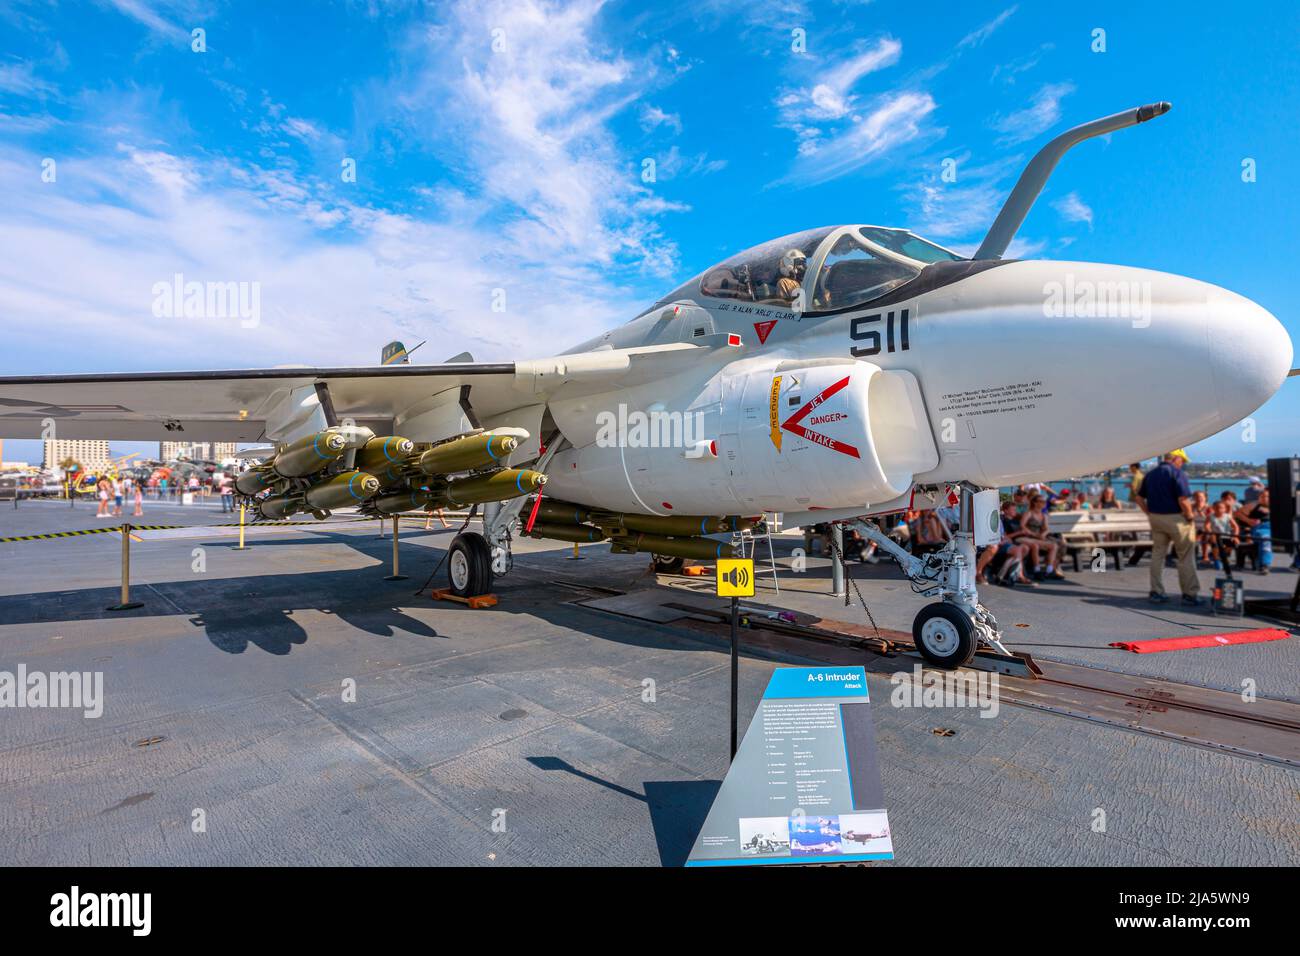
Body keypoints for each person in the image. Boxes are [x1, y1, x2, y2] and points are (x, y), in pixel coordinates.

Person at [1135, 449, 1200, 604]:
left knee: (1158, 555)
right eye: (1182, 461)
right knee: (1185, 555)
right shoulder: (1177, 474)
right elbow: (1183, 499)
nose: (1182, 464)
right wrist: (1190, 516)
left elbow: (1139, 498)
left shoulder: (1151, 474)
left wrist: (1149, 513)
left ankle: (1156, 591)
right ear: (1176, 459)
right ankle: (1189, 594)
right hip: (1176, 519)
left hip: (1156, 518)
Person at [1018, 495, 1065, 579]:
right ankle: (1048, 570)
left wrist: (1043, 534)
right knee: (1053, 545)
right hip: (1029, 537)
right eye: (1041, 501)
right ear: (1035, 503)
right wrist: (1034, 534)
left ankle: (1052, 567)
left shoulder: (1043, 515)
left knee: (1060, 544)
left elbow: (1046, 529)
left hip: (1039, 537)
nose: (1044, 503)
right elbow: (1022, 526)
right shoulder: (1029, 513)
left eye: (1044, 502)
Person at [1235, 489, 1273, 574]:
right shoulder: (1253, 505)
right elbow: (1237, 513)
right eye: (1262, 496)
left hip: (1274, 529)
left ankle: (1296, 564)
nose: (1265, 498)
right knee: (1266, 539)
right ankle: (1264, 565)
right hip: (1261, 528)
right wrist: (1248, 520)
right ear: (1259, 497)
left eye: (1267, 496)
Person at [1206, 500, 1238, 570]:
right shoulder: (1211, 516)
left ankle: (1221, 555)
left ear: (1225, 509)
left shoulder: (1228, 516)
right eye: (1217, 508)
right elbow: (1207, 526)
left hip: (1226, 535)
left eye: (1221, 508)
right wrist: (1211, 533)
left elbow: (1235, 526)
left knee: (1232, 545)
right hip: (1215, 535)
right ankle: (1216, 559)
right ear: (1213, 508)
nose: (1219, 510)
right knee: (1215, 544)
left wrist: (1235, 536)